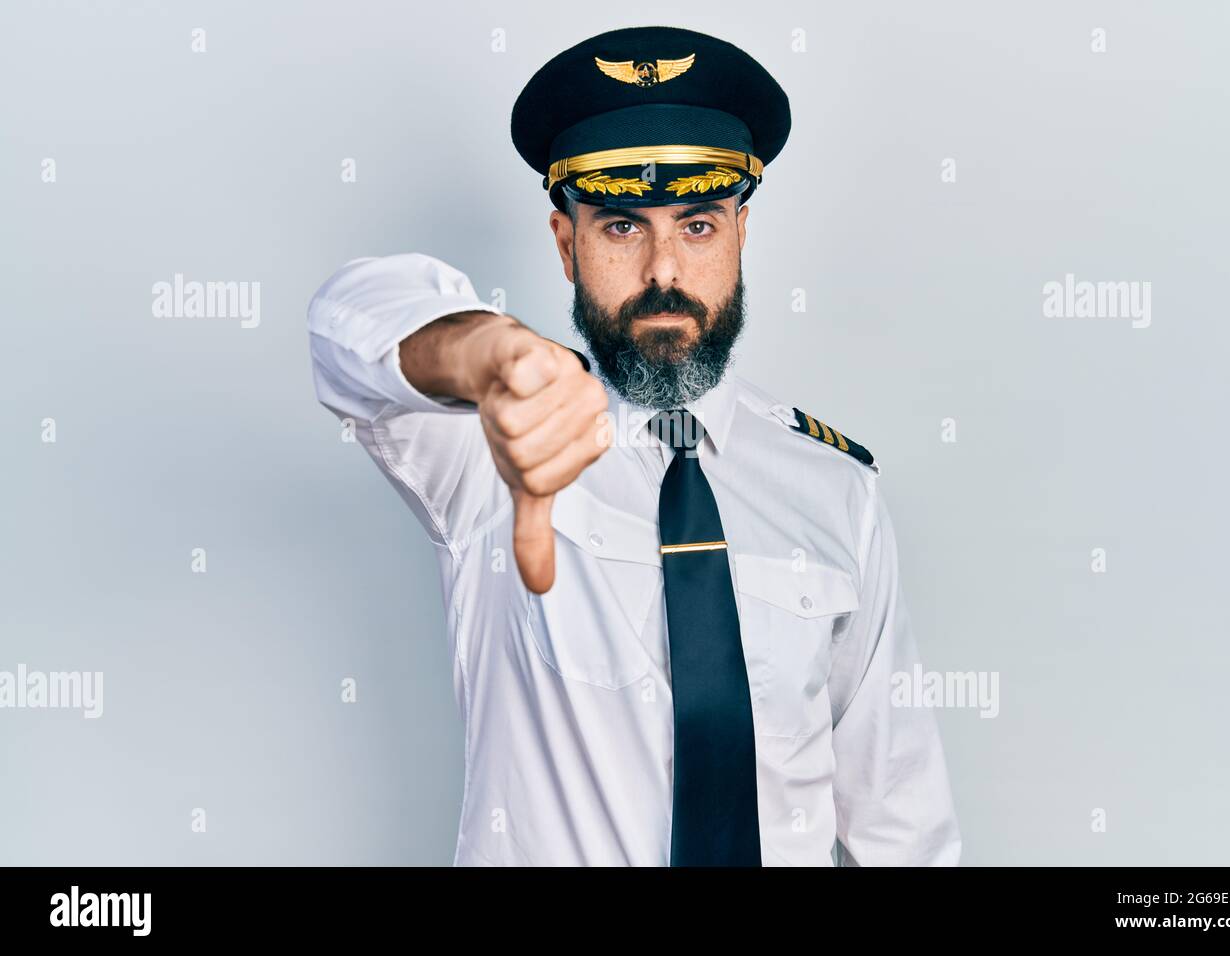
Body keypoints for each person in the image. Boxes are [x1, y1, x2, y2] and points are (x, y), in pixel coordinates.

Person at [307, 25, 960, 866]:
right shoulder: (489, 444)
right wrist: (478, 352)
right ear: (564, 243)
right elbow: (344, 323)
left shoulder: (836, 489)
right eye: (620, 227)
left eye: (697, 225)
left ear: (741, 233)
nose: (663, 272)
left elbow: (899, 819)